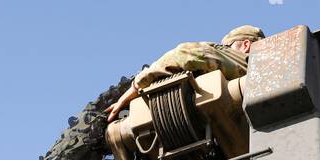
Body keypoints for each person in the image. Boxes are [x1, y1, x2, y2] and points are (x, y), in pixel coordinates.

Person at [105, 25, 265, 123]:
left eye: (226, 48)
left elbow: (185, 55)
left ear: (245, 46)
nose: (223, 51)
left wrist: (133, 89)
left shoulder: (245, 61)